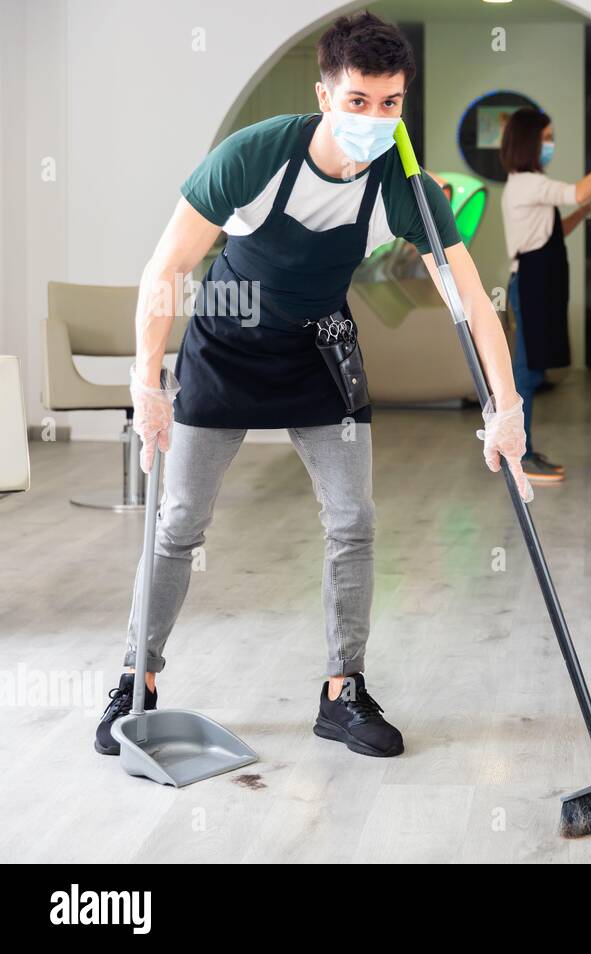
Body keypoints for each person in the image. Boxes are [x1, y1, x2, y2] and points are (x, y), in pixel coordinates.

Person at [96, 12, 530, 760]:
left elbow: (467, 297)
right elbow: (164, 271)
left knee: (353, 523)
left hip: (321, 356)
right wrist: (148, 384)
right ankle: (137, 681)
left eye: (390, 103)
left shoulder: (403, 183)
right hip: (224, 352)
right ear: (326, 95)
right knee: (179, 524)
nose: (373, 118)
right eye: (358, 101)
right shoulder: (254, 156)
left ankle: (343, 691)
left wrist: (508, 406)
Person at [499, 109, 591, 482]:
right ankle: (519, 456)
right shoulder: (525, 182)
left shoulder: (530, 185)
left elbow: (556, 229)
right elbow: (576, 190)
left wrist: (586, 211)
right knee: (525, 371)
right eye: (547, 137)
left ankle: (524, 450)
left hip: (540, 284)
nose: (550, 144)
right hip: (530, 285)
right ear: (529, 141)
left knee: (533, 368)